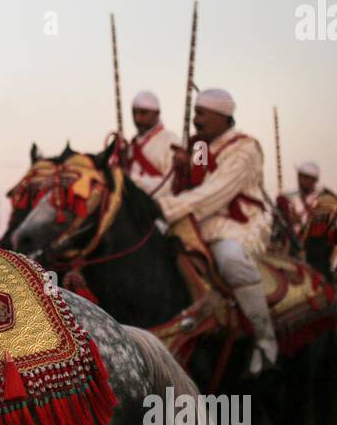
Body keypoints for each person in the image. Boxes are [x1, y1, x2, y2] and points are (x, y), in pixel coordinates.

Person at [158, 88, 277, 373]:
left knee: (230, 259)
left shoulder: (246, 148)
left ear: (223, 116)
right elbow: (196, 185)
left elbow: (215, 192)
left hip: (240, 223)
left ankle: (265, 339)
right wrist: (184, 168)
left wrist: (165, 209)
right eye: (195, 113)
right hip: (200, 221)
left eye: (201, 114)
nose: (195, 120)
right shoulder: (200, 146)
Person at [112, 90, 176, 197]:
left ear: (157, 113)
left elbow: (172, 184)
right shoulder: (130, 145)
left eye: (143, 113)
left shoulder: (170, 141)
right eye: (134, 112)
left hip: (157, 207)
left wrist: (130, 179)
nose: (137, 118)